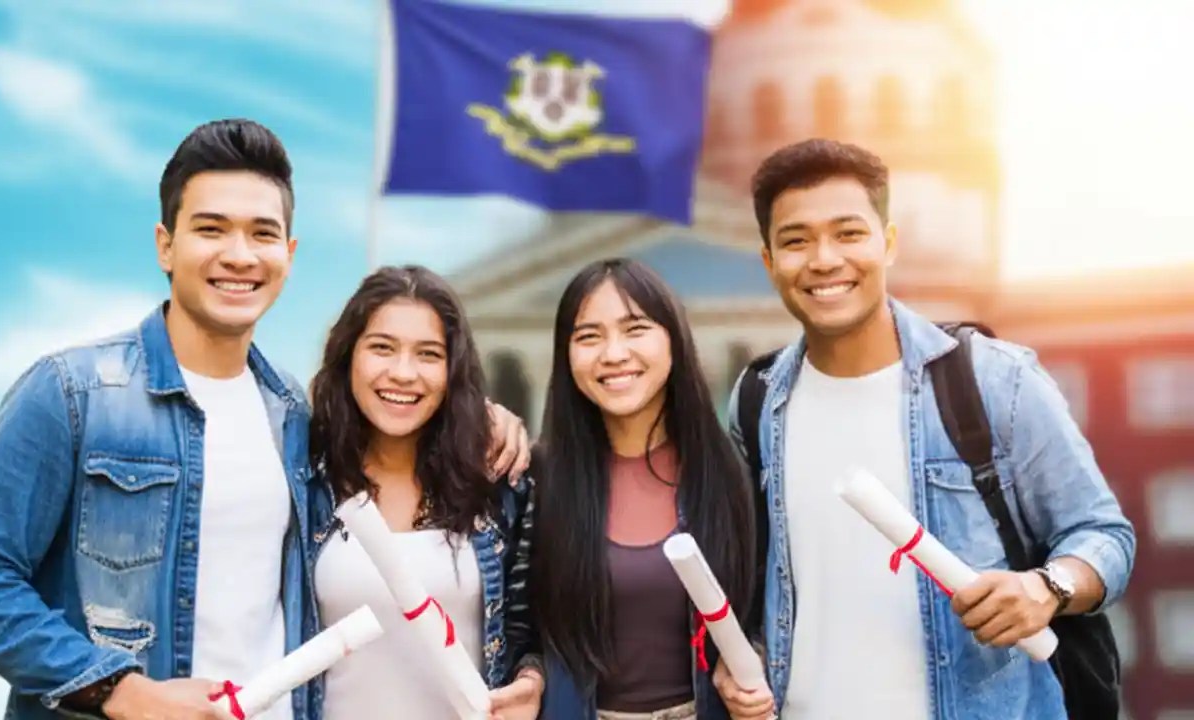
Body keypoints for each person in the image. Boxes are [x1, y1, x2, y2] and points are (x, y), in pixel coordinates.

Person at [0, 119, 530, 720]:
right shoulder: (71, 393)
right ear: (166, 243)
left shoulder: (293, 417)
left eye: (262, 233)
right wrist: (122, 690)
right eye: (211, 229)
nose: (239, 255)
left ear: (288, 255)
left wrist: (482, 417)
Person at [727, 138, 1136, 719]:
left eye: (848, 233)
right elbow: (756, 577)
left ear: (887, 243)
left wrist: (1047, 588)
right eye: (796, 240)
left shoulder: (994, 379)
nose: (823, 260)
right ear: (769, 261)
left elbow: (1105, 536)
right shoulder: (756, 401)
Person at [525, 258, 776, 720]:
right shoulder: (539, 480)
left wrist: (753, 657)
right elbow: (520, 627)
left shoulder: (728, 474)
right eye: (588, 336)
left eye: (634, 328)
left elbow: (766, 603)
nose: (614, 353)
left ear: (674, 341)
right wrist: (530, 675)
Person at [307, 264, 542, 720]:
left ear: (453, 370)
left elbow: (528, 627)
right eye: (381, 348)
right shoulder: (306, 482)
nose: (403, 373)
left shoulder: (496, 486)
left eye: (429, 354)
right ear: (348, 355)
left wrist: (531, 679)